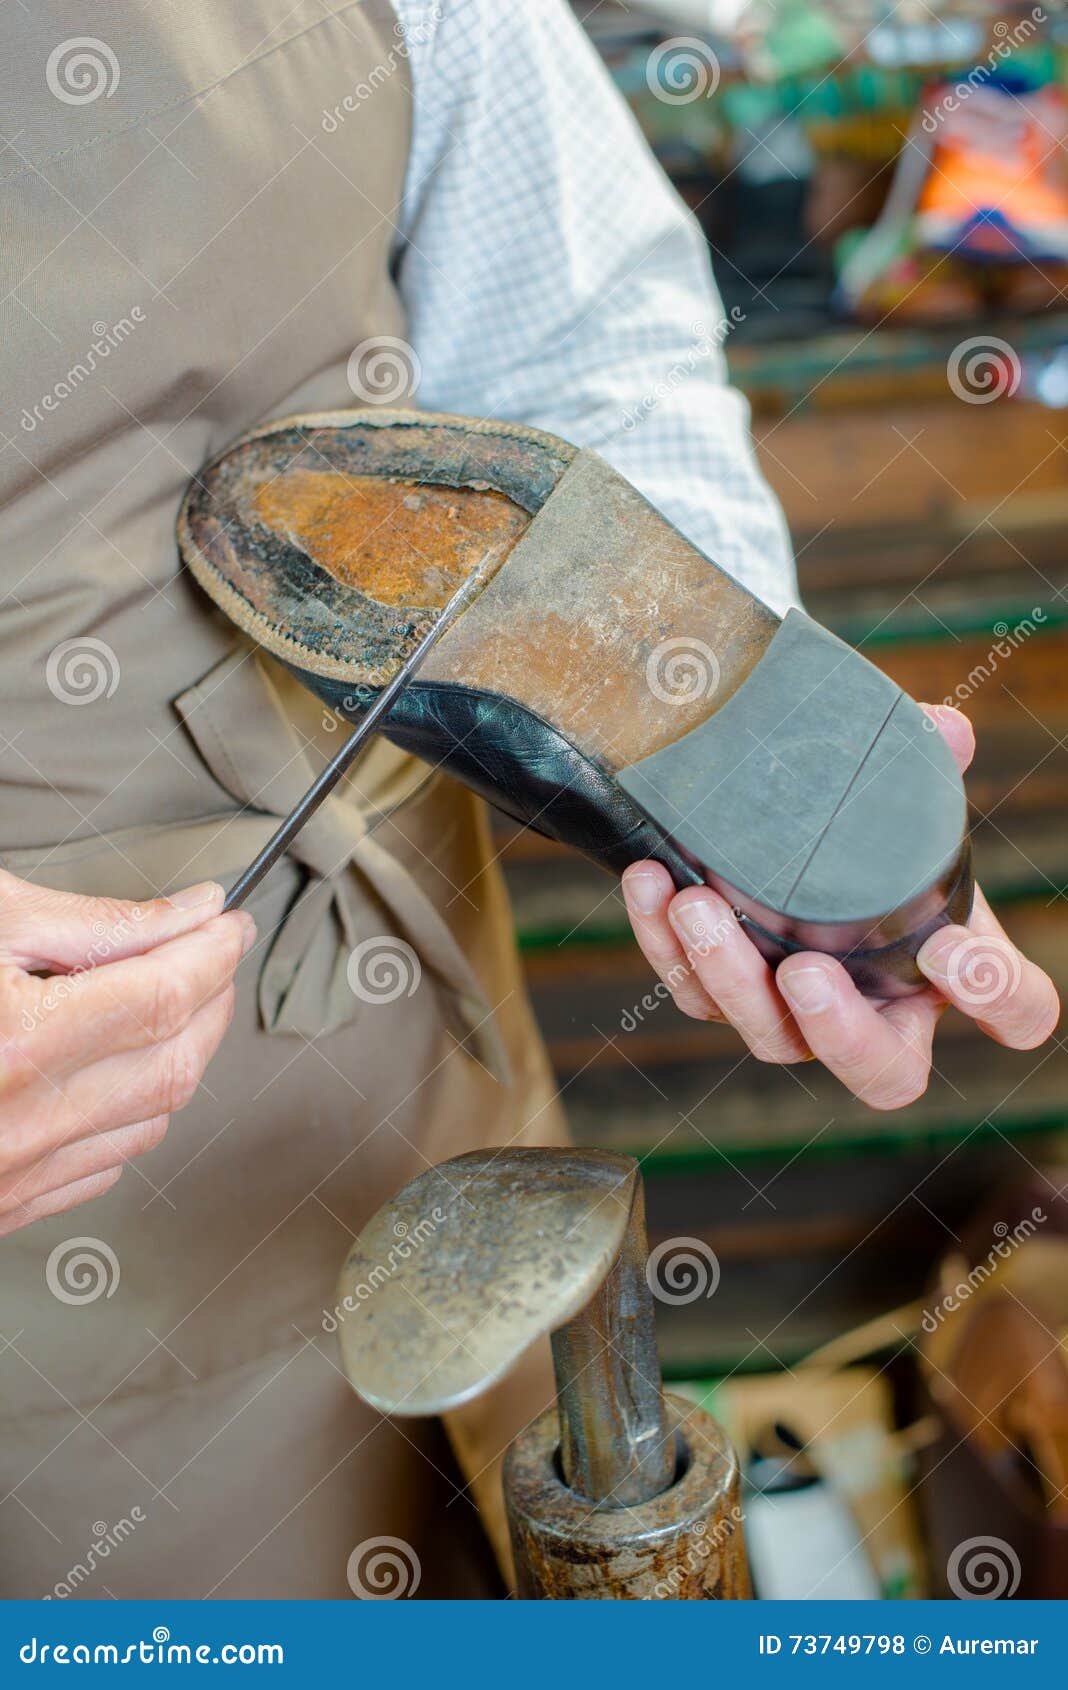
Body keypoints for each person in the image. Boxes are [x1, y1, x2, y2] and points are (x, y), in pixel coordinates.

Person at [0, 0, 1056, 1599]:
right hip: (63, 1267)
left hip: (429, 1044)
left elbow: (578, 330)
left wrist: (728, 726)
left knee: (527, 1538)